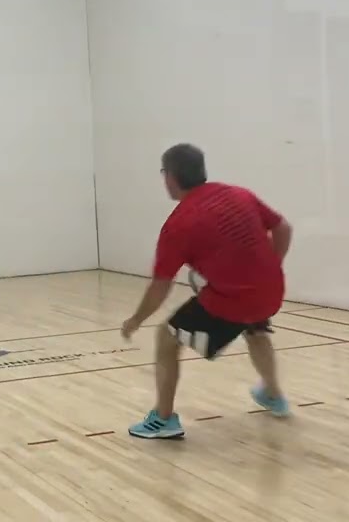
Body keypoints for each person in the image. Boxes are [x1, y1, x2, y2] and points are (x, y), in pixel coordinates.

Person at [121, 143, 294, 439]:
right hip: (270, 291)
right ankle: (274, 395)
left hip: (234, 300)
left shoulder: (178, 225)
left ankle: (163, 420)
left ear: (170, 177)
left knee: (166, 336)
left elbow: (160, 286)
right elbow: (283, 229)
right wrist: (270, 268)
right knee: (255, 328)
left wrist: (135, 320)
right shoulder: (239, 194)